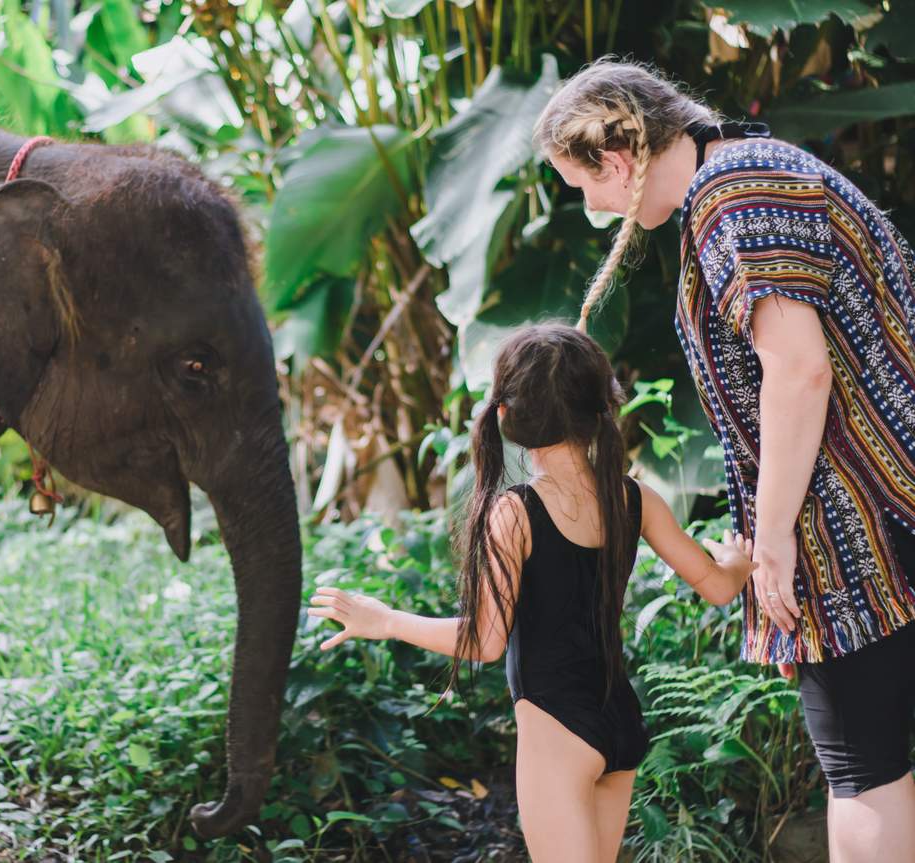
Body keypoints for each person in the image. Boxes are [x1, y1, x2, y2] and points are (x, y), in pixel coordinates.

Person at [530, 56, 915, 861]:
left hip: (867, 523)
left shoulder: (732, 191)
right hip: (880, 510)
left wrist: (771, 540)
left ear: (619, 158)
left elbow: (798, 366)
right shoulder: (747, 174)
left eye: (585, 184)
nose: (595, 207)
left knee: (862, 768)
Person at [308, 322, 757, 863]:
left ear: (507, 416)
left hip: (558, 733)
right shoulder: (636, 499)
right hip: (618, 719)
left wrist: (384, 621)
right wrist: (735, 562)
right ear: (599, 411)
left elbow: (485, 641)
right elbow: (717, 588)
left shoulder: (515, 513)